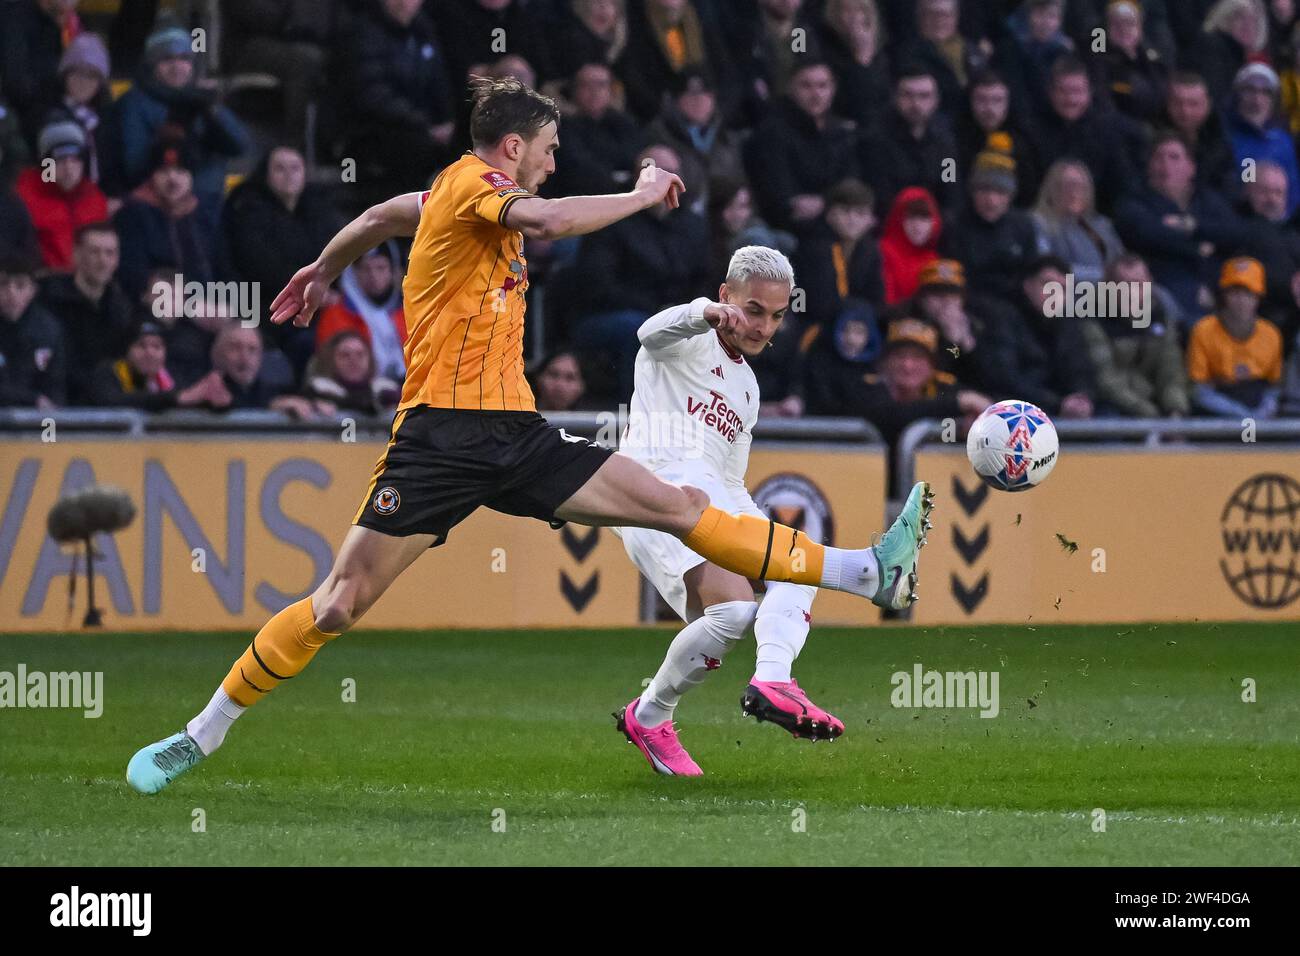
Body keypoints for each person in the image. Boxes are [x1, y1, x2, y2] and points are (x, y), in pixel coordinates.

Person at [126, 77, 931, 794]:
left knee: (683, 504)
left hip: (516, 433)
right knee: (337, 605)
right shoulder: (478, 186)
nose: (552, 162)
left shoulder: (447, 196)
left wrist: (324, 267)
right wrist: (644, 192)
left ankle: (862, 571)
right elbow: (544, 219)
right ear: (513, 147)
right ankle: (201, 734)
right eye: (548, 148)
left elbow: (378, 215)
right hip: (438, 439)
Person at [612, 246, 934, 775]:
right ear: (725, 296)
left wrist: (765, 538)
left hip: (711, 503)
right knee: (759, 587)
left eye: (777, 316)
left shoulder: (748, 387)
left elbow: (730, 481)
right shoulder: (685, 338)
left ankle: (746, 688)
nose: (764, 327)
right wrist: (703, 314)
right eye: (753, 310)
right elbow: (649, 333)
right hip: (652, 497)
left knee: (784, 570)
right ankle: (865, 572)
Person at [1078, 254, 1190, 418]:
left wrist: (1175, 411)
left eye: (1138, 285)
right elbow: (1106, 381)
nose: (1131, 293)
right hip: (1113, 404)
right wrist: (1151, 415)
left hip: (1154, 403)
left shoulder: (1160, 317)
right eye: (1123, 285)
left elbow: (1171, 371)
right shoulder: (1093, 319)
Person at [39, 222, 135, 403]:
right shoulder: (49, 300)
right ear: (77, 254)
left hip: (108, 406)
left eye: (110, 253)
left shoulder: (122, 307)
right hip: (60, 404)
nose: (103, 260)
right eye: (94, 252)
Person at [1187, 255, 1284, 416]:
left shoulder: (1271, 333)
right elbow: (1198, 390)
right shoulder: (1203, 330)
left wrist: (1260, 415)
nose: (1241, 300)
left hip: (1258, 409)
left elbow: (1274, 388)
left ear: (1258, 297)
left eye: (1248, 293)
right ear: (1224, 295)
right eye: (1235, 293)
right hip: (1218, 409)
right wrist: (1241, 415)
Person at [14, 119, 108, 271]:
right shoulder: (24, 196)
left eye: (75, 159)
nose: (69, 168)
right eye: (60, 160)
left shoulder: (94, 198)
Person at [87, 318, 232, 411]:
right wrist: (174, 399)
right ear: (127, 351)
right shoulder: (108, 372)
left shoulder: (172, 376)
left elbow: (189, 399)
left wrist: (215, 402)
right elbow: (111, 401)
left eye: (157, 347)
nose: (149, 353)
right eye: (141, 346)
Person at [315, 244, 408, 383]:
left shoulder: (409, 312)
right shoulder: (335, 314)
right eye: (366, 269)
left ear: (393, 272)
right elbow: (333, 369)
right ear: (353, 273)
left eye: (381, 268)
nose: (374, 276)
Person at [1031, 159, 1126, 286]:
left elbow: (1122, 263)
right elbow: (1047, 268)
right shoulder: (1039, 223)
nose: (1074, 192)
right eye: (1068, 185)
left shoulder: (1102, 225)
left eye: (1081, 186)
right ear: (1052, 189)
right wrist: (1105, 276)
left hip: (1112, 293)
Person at [0, 254, 65, 408]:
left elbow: (55, 388)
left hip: (36, 424)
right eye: (3, 284)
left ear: (33, 290)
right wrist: (32, 399)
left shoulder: (49, 331)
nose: (12, 293)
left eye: (20, 285)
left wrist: (49, 430)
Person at [302, 329, 400, 416]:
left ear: (370, 360)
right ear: (331, 361)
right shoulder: (316, 391)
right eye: (345, 355)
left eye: (360, 354)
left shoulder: (387, 390)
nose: (353, 360)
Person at [879, 186, 942, 304]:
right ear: (898, 220)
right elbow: (886, 303)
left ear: (934, 222)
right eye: (910, 218)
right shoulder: (883, 252)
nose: (917, 226)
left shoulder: (934, 258)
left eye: (924, 218)